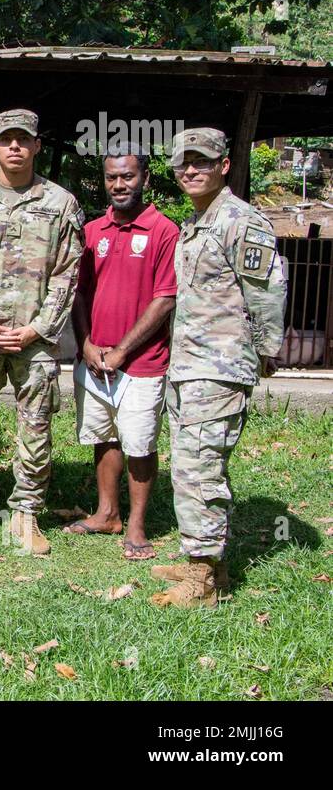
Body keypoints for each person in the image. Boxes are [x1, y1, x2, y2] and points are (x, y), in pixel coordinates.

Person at [149, 128, 285, 607]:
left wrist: (266, 350)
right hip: (191, 366)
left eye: (201, 162)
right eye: (183, 163)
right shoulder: (197, 222)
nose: (190, 170)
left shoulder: (239, 221)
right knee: (191, 465)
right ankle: (207, 561)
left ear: (223, 165)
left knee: (200, 469)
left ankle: (202, 581)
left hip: (219, 368)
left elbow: (267, 289)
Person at [0, 109, 83, 555]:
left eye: (22, 140)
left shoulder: (60, 203)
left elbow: (67, 274)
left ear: (36, 146)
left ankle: (27, 512)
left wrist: (37, 329)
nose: (14, 147)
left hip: (35, 339)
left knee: (36, 427)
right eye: (6, 139)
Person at [65, 145, 178, 559]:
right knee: (103, 435)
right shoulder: (93, 232)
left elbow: (165, 299)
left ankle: (136, 525)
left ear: (145, 179)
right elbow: (79, 294)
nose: (119, 184)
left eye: (127, 176)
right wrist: (87, 344)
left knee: (140, 442)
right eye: (112, 177)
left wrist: (122, 351)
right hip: (94, 358)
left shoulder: (164, 231)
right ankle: (107, 513)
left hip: (142, 363)